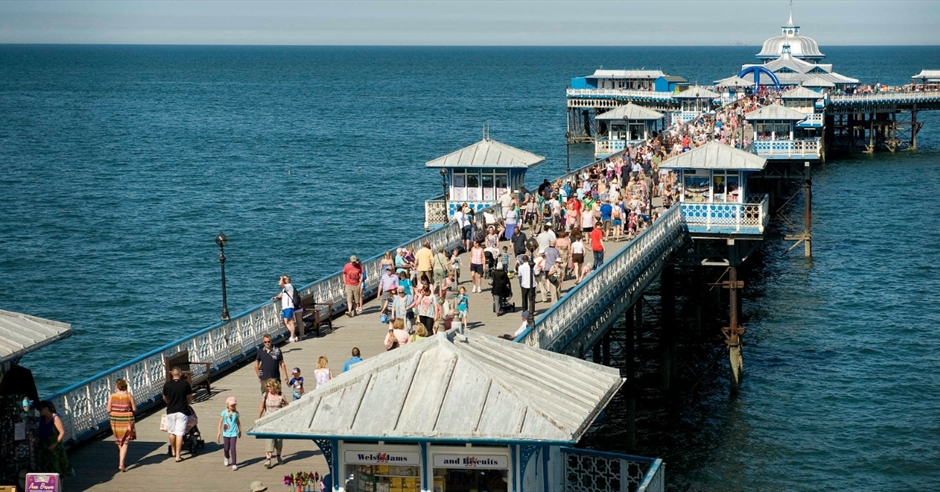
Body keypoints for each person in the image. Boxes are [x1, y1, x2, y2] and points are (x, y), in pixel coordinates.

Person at [163, 366, 193, 463]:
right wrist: (187, 403)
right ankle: (178, 456)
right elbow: (189, 397)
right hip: (182, 411)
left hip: (171, 411)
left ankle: (173, 450)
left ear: (172, 375)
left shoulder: (167, 385)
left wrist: (169, 402)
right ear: (180, 374)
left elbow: (164, 397)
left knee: (172, 432)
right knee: (180, 433)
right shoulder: (185, 384)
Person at [106, 378, 137, 472]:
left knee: (119, 440)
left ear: (116, 386)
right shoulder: (128, 396)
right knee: (126, 441)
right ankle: (121, 463)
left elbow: (108, 410)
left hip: (115, 419)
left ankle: (121, 460)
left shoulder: (112, 396)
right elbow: (134, 409)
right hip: (127, 419)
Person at [35, 401, 73, 477]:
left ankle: (60, 486)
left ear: (46, 408)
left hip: (54, 446)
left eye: (41, 409)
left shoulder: (55, 418)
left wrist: (55, 444)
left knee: (56, 467)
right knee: (45, 466)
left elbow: (62, 432)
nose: (40, 411)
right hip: (44, 446)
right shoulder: (42, 418)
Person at [259, 379, 287, 469]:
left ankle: (278, 456)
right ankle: (268, 459)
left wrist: (284, 402)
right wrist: (259, 418)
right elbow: (261, 406)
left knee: (278, 440)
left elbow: (287, 406)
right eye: (266, 386)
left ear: (273, 386)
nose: (267, 388)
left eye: (268, 386)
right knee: (269, 439)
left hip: (279, 420)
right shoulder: (265, 395)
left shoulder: (281, 395)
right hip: (268, 420)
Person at [271, 275, 300, 343]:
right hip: (285, 307)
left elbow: (280, 284)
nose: (283, 280)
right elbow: (282, 294)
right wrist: (276, 297)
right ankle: (294, 336)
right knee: (285, 322)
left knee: (290, 322)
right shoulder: (285, 288)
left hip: (288, 306)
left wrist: (281, 277)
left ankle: (292, 336)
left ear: (288, 280)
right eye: (283, 279)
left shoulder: (289, 286)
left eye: (285, 279)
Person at [217, 396, 241, 471]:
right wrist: (219, 432)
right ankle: (226, 457)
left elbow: (238, 423)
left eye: (234, 405)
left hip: (233, 433)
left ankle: (234, 463)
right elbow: (220, 422)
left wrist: (240, 431)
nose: (233, 407)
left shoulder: (236, 414)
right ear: (227, 405)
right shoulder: (224, 413)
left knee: (233, 448)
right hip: (226, 433)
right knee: (226, 448)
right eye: (231, 405)